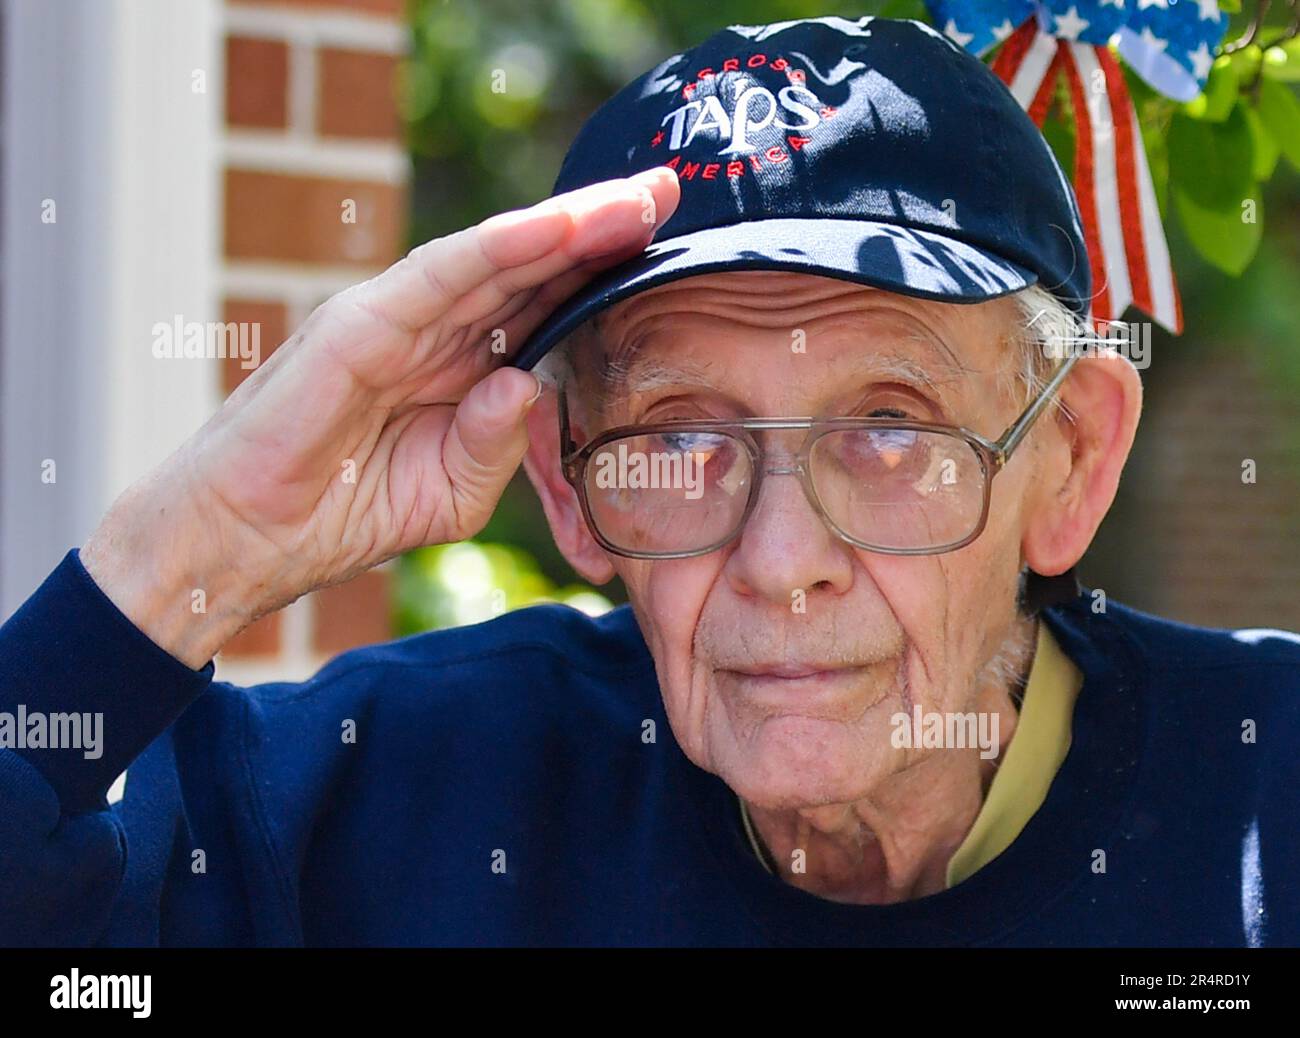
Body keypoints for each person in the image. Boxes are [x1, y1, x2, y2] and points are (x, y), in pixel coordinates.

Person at [1, 16, 1296, 947]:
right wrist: (195, 547)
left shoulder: (1264, 797)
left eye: (890, 429)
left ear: (1069, 459)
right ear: (568, 490)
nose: (785, 562)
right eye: (679, 441)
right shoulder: (393, 794)